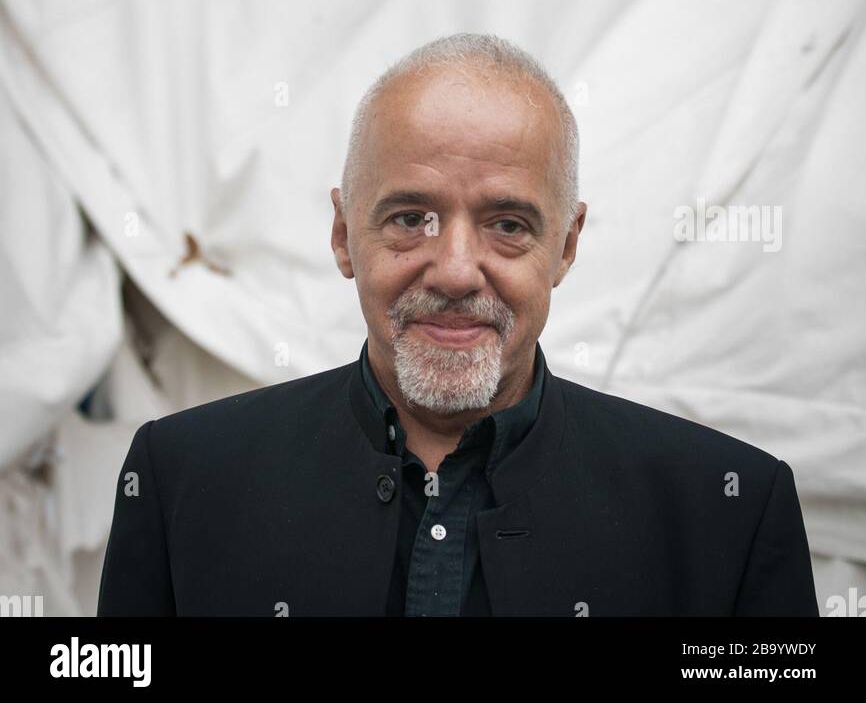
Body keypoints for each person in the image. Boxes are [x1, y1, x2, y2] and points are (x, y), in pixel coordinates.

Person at [97, 32, 818, 616]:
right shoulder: (183, 482)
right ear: (345, 235)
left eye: (507, 225)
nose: (454, 270)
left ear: (565, 246)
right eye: (411, 219)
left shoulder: (727, 511)